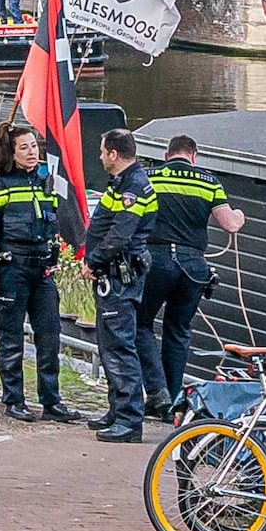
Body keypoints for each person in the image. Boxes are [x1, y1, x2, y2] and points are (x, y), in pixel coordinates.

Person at [0, 122, 85, 422]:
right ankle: (14, 400)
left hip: (43, 272)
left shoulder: (45, 182)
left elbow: (54, 223)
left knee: (50, 336)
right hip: (11, 270)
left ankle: (51, 401)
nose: (32, 152)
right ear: (11, 153)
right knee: (11, 337)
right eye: (24, 148)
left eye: (34, 146)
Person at [140, 135, 246, 403]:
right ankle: (172, 401)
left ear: (167, 156)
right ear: (194, 155)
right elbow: (229, 224)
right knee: (177, 333)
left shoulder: (149, 177)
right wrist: (240, 215)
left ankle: (156, 390)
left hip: (156, 260)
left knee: (140, 324)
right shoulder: (210, 182)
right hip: (193, 267)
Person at [84, 127, 159, 441]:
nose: (100, 157)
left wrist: (94, 261)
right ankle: (118, 409)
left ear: (113, 154)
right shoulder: (121, 184)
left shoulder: (135, 188)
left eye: (102, 151)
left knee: (119, 346)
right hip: (111, 274)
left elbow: (120, 235)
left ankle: (129, 420)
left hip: (119, 274)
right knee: (108, 344)